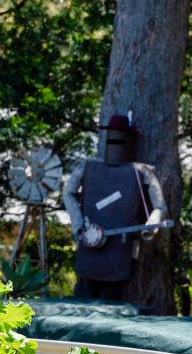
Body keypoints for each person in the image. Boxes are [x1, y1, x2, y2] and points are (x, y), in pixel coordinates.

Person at [60, 114, 170, 301]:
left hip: (120, 249)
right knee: (82, 297)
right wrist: (78, 225)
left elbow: (160, 206)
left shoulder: (141, 171)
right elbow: (67, 193)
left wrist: (151, 224)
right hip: (89, 243)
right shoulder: (88, 167)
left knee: (109, 301)